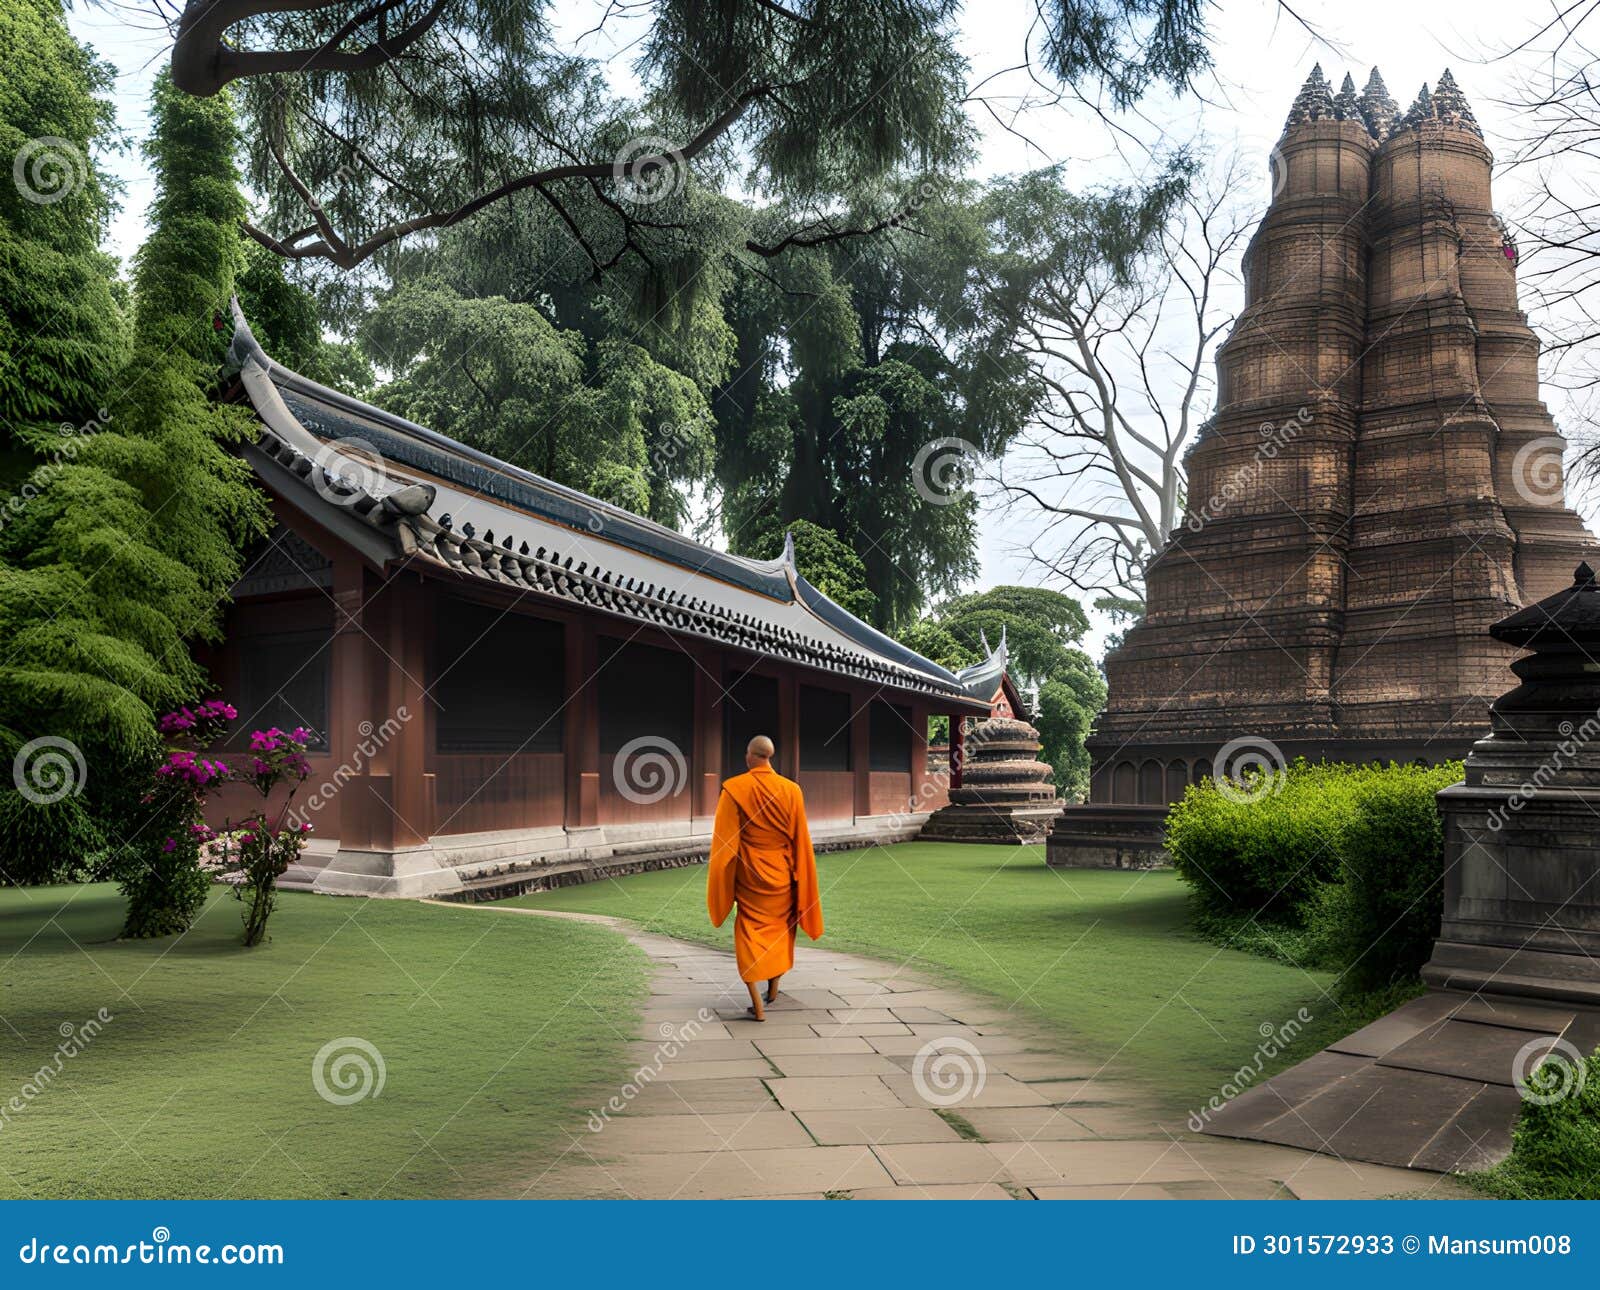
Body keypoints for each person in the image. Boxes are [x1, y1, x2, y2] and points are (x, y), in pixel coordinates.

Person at [706, 734, 823, 1020]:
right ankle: (772, 991)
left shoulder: (734, 789)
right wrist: (799, 874)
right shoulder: (791, 790)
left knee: (748, 933)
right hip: (782, 873)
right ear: (769, 756)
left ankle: (758, 1006)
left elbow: (725, 845)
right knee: (781, 931)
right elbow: (800, 838)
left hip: (750, 876)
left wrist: (722, 880)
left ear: (751, 755)